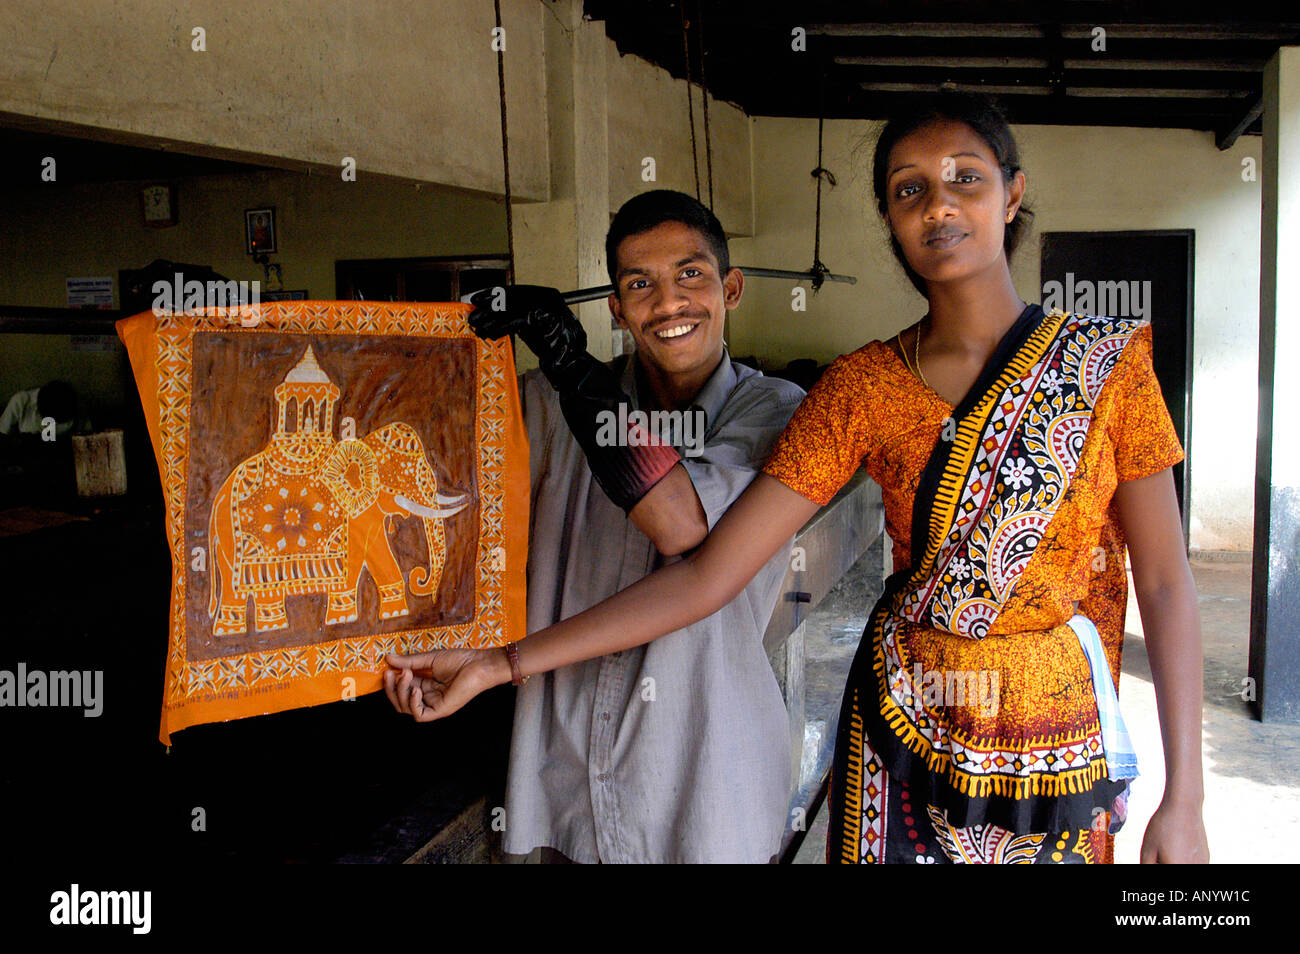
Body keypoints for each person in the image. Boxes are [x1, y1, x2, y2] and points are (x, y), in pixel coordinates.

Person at [386, 95, 1209, 864]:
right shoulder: (859, 390)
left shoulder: (1110, 365)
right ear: (890, 218)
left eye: (966, 178)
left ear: (1013, 193)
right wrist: (502, 663)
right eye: (908, 189)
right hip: (905, 727)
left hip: (1055, 735)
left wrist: (1188, 799)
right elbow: (707, 573)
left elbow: (1167, 584)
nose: (939, 205)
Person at [386, 189, 806, 863]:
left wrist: (565, 358)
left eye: (691, 275)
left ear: (731, 288)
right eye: (641, 284)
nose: (669, 303)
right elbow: (434, 479)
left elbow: (680, 521)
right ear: (616, 306)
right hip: (567, 765)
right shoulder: (549, 405)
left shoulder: (778, 413)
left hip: (701, 773)